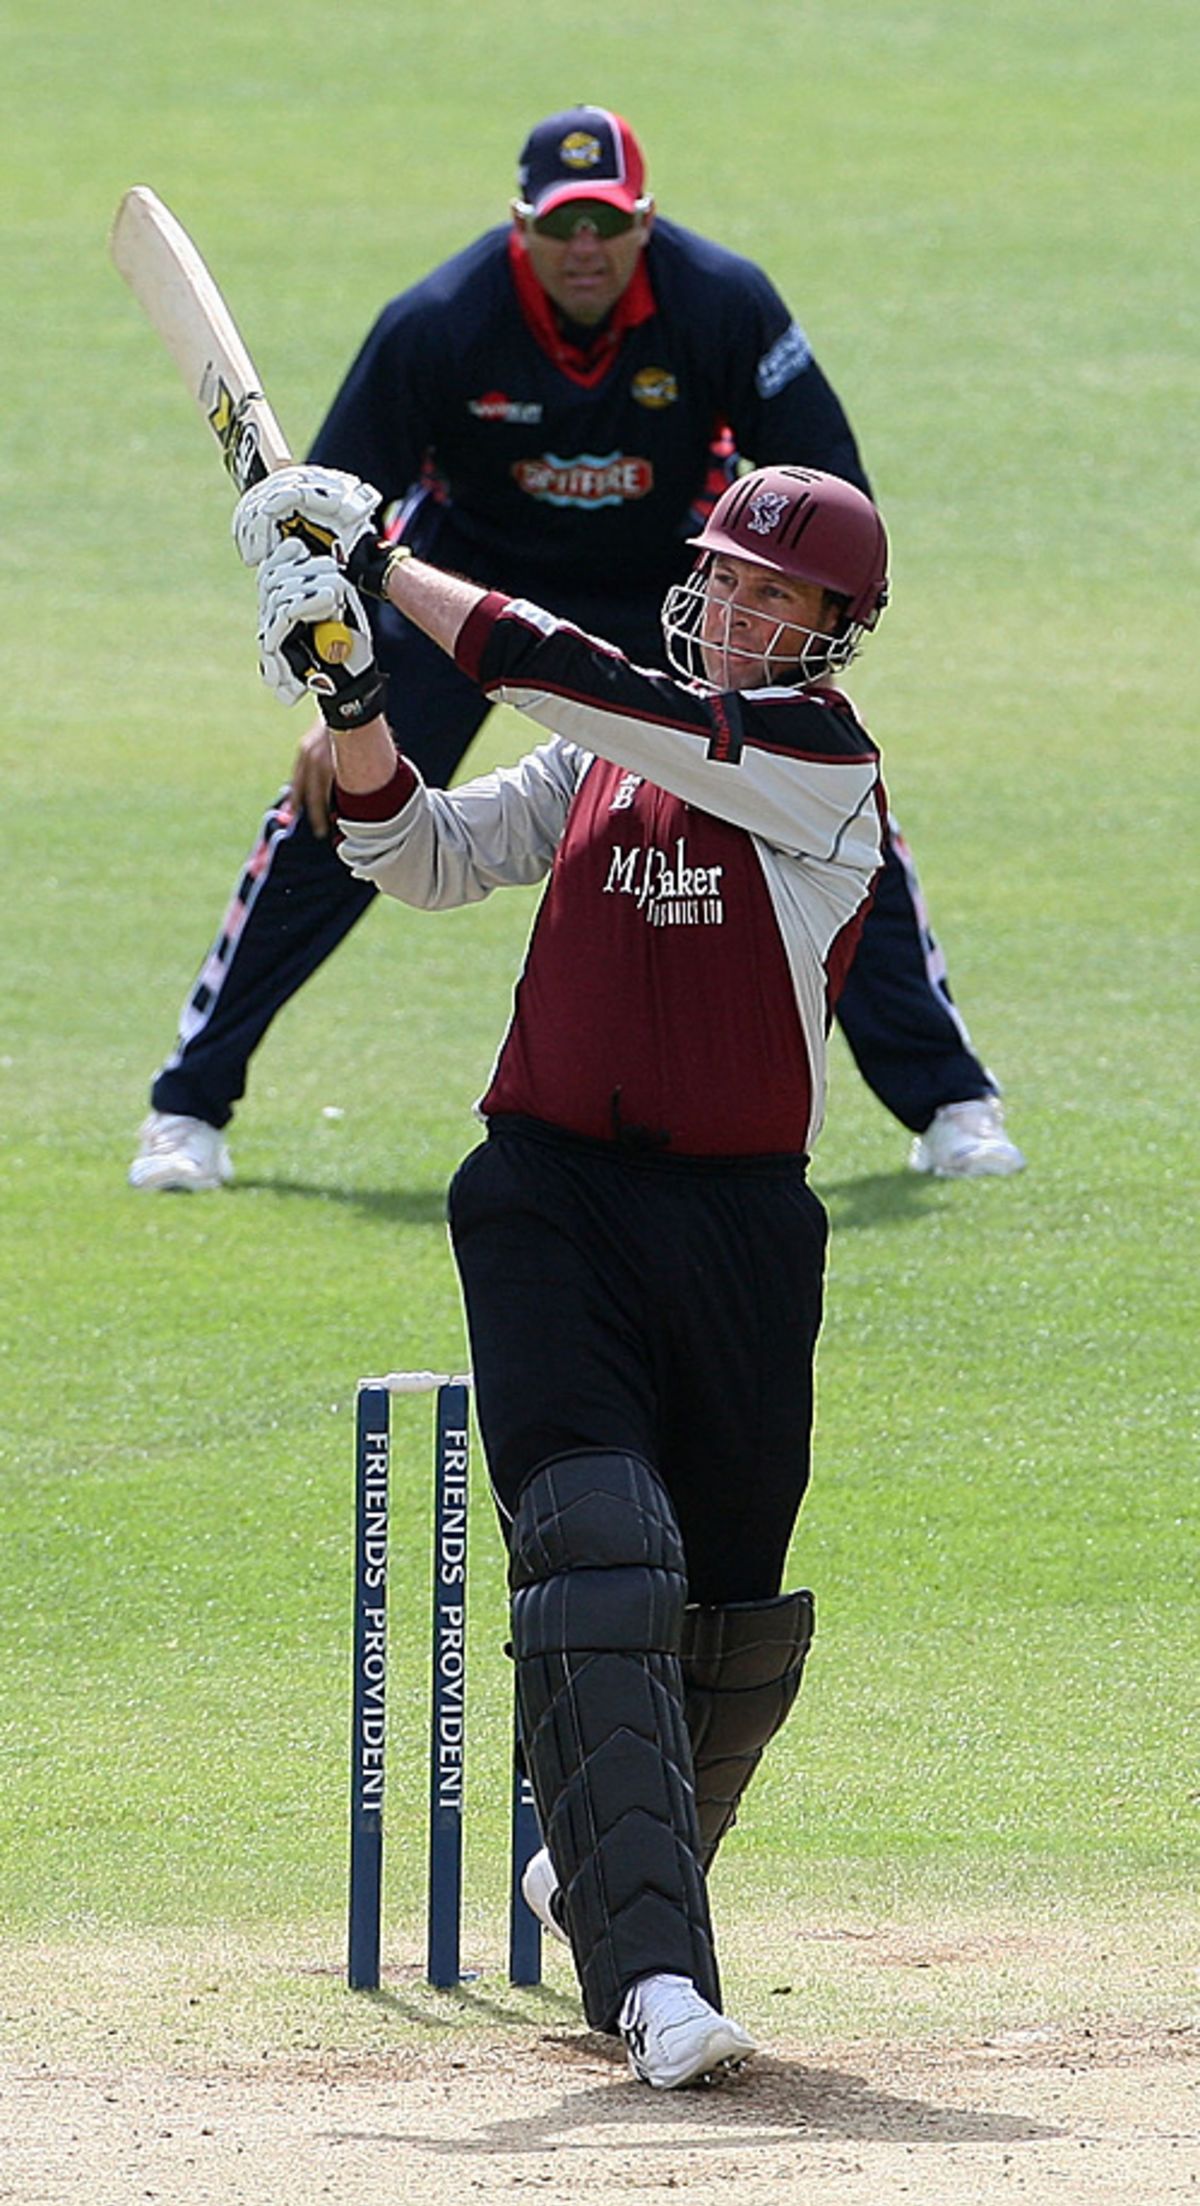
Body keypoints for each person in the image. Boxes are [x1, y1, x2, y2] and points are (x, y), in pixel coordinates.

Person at [232, 452, 890, 2086]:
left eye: (774, 594)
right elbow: (418, 853)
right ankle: (660, 1984)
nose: (734, 608)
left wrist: (381, 557)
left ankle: (595, 1870)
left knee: (725, 1618)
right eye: (722, 579)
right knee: (603, 1545)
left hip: (743, 1231)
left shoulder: (817, 769)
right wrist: (349, 697)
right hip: (549, 1204)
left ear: (831, 633)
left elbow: (565, 673)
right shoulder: (595, 760)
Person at [128, 103, 1023, 1194]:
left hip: (679, 589)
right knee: (332, 801)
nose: (586, 248)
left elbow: (827, 495)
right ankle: (187, 1106)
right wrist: (340, 705)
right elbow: (327, 510)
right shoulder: (438, 323)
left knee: (823, 827)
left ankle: (950, 1099)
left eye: (608, 224)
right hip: (468, 575)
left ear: (645, 223)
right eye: (562, 228)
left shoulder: (722, 305)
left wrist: (780, 662)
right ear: (521, 226)